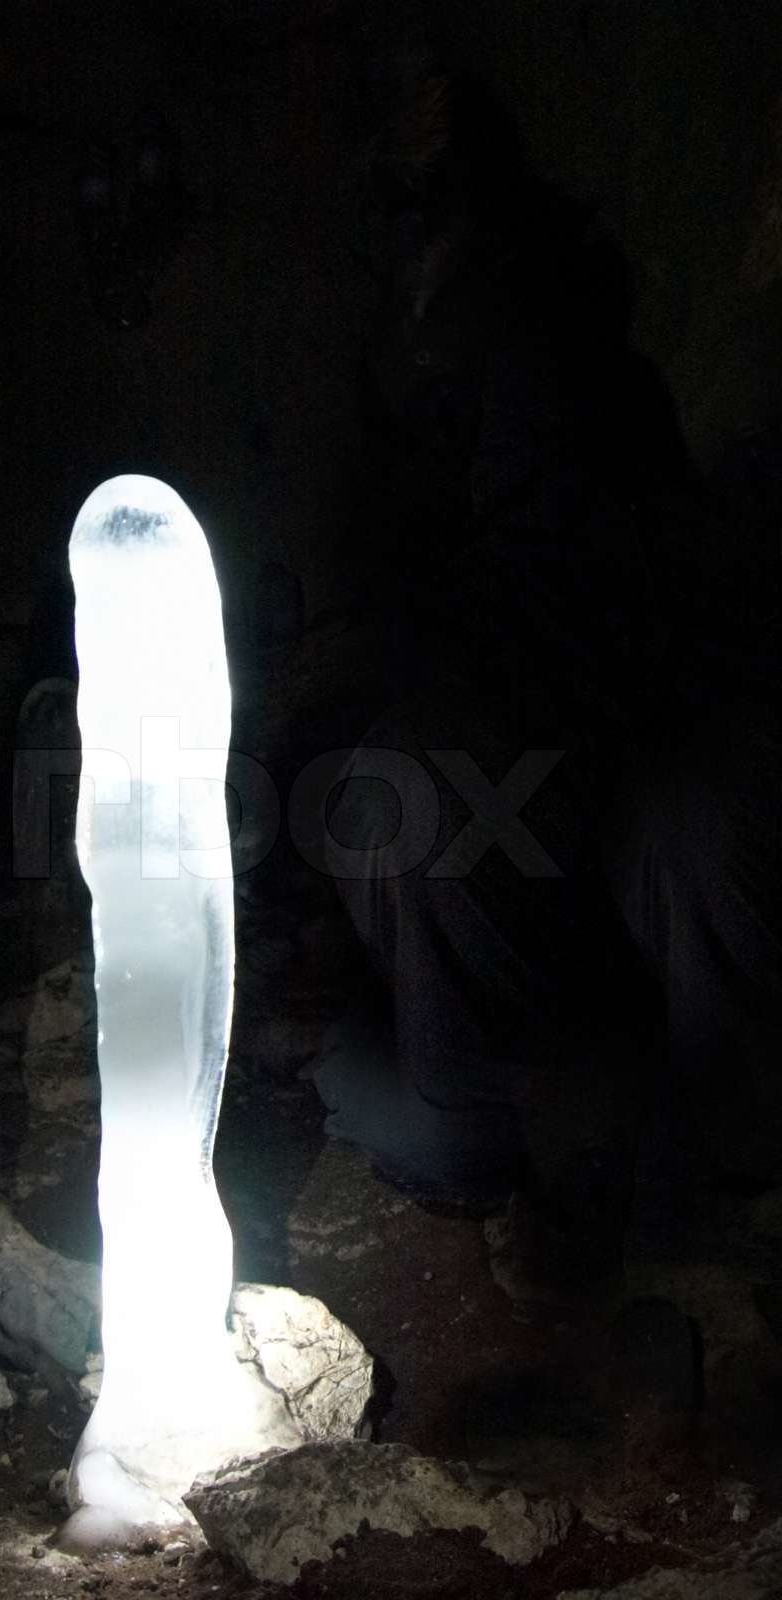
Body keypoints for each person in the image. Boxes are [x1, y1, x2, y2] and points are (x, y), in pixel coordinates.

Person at [308, 66, 781, 1303]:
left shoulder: (550, 334)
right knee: (416, 799)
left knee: (683, 822)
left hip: (635, 702)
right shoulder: (424, 352)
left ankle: (696, 1180)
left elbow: (618, 574)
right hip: (532, 740)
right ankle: (501, 1142)